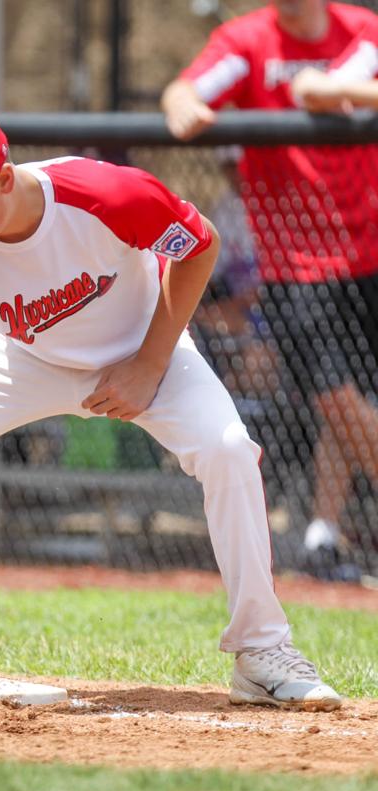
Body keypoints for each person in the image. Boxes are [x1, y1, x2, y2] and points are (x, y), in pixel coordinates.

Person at [0, 104, 342, 711]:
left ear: (5, 179)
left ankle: (261, 649)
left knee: (227, 451)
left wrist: (148, 363)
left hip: (145, 341)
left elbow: (199, 246)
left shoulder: (103, 194)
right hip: (21, 359)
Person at [162, 0, 378, 581]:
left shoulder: (362, 30)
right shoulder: (248, 39)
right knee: (337, 399)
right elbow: (187, 90)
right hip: (297, 259)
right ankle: (326, 533)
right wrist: (182, 104)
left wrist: (332, 92)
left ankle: (322, 534)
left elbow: (315, 89)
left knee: (355, 401)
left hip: (371, 246)